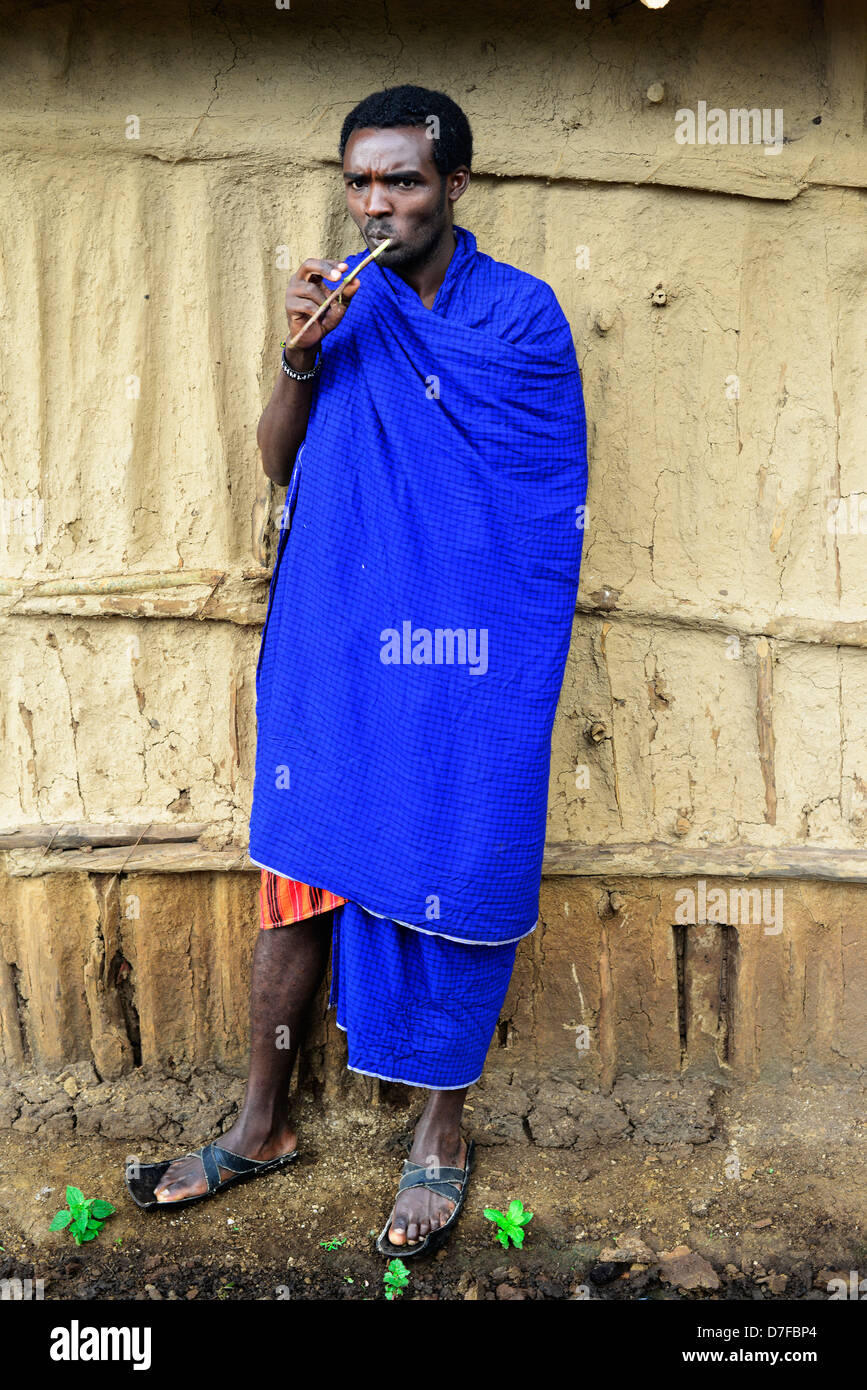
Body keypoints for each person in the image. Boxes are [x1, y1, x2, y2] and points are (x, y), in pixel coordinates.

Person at [124, 84, 588, 1258]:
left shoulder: (524, 321)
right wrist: (295, 356)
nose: (380, 202)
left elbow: (535, 508)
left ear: (455, 186)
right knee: (300, 871)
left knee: (455, 862)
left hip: (466, 661)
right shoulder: (343, 301)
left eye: (404, 180)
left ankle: (439, 1134)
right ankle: (258, 1126)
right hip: (338, 643)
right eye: (361, 183)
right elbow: (278, 461)